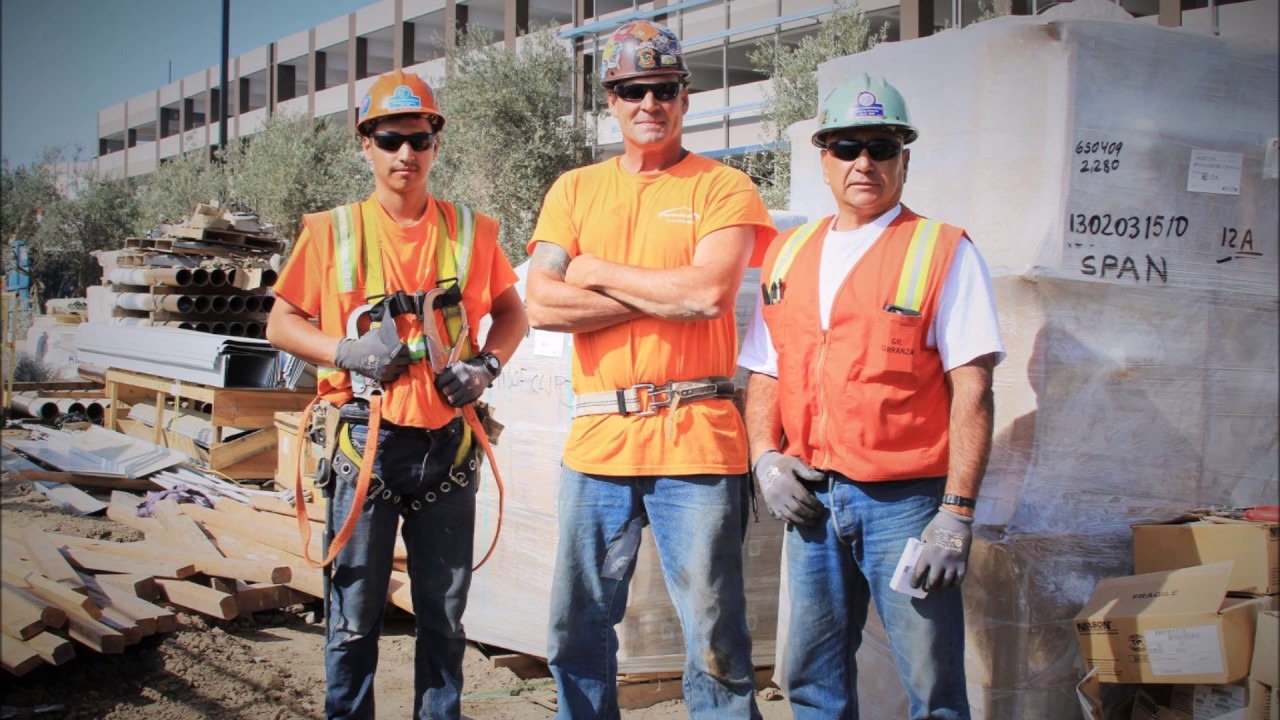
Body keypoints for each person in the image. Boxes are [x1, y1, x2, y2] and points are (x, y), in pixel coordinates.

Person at [524, 19, 775, 720]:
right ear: (611, 98)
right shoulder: (573, 191)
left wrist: (598, 272)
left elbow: (706, 294)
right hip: (598, 444)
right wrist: (658, 292)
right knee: (577, 626)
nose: (649, 104)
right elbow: (542, 302)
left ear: (684, 95)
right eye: (632, 90)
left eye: (662, 89)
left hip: (697, 441)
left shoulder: (723, 188)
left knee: (714, 635)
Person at [738, 72, 1005, 720]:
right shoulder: (788, 253)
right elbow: (767, 373)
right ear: (823, 158)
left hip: (905, 507)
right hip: (814, 499)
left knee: (932, 685)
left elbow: (973, 386)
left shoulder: (942, 250)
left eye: (881, 148)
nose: (864, 162)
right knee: (812, 680)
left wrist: (958, 514)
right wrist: (764, 459)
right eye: (848, 147)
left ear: (904, 161)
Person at [265, 68, 527, 719]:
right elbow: (281, 322)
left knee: (443, 618)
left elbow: (511, 312)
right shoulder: (332, 233)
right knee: (354, 619)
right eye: (389, 140)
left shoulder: (470, 232)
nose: (405, 154)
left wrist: (485, 368)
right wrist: (346, 351)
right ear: (367, 145)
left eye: (418, 138)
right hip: (366, 448)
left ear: (436, 142)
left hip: (448, 448)